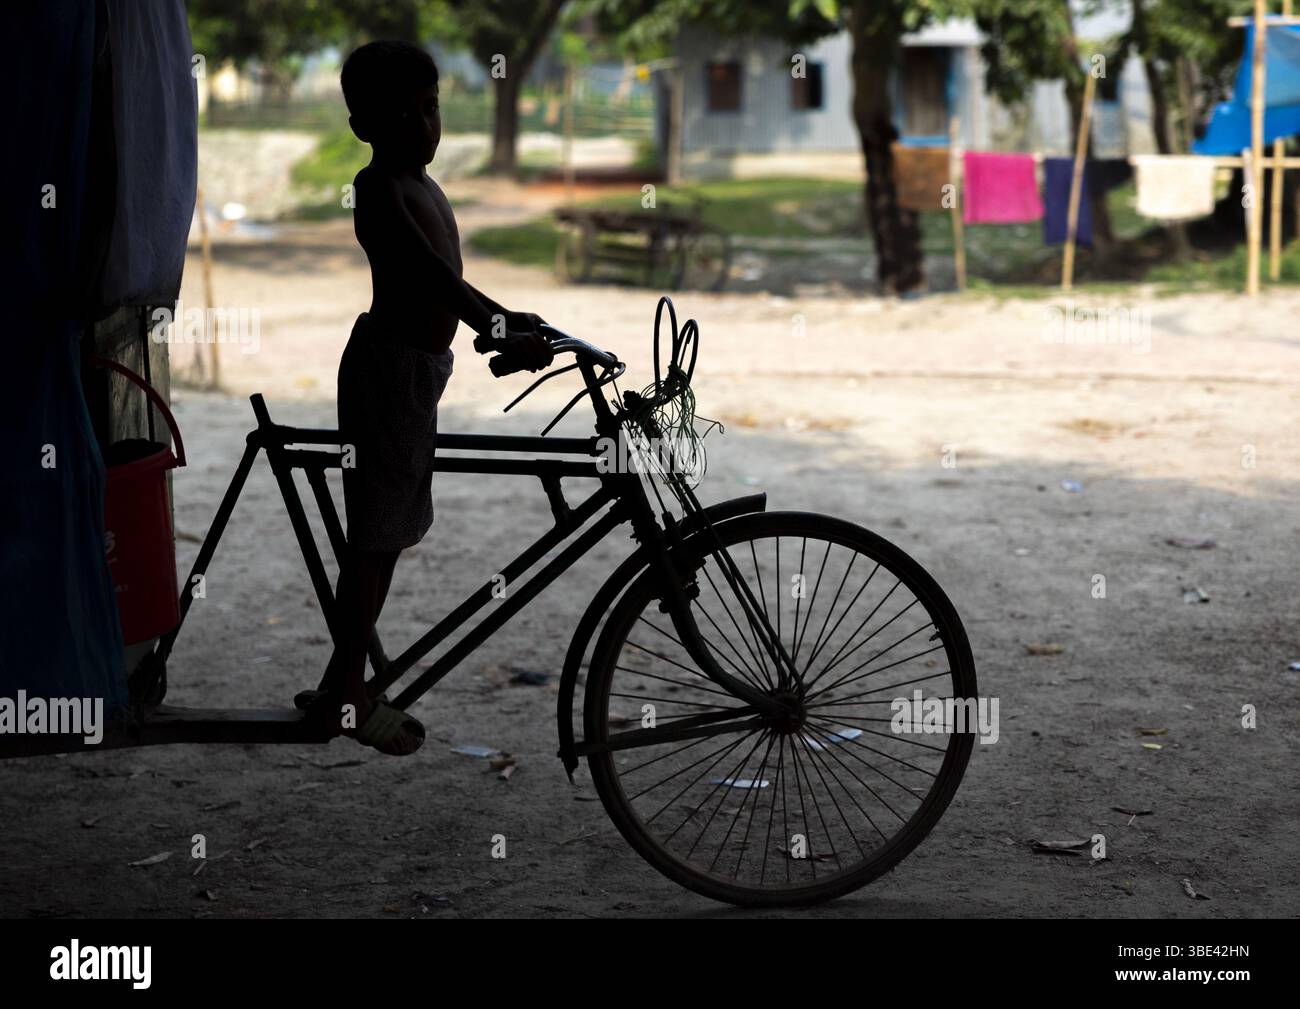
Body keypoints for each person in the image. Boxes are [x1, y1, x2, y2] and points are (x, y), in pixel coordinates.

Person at [302, 40, 552, 755]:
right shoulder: (379, 188)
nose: (423, 123)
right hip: (390, 374)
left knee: (386, 535)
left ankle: (340, 685)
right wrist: (497, 323)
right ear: (364, 128)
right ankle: (345, 692)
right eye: (402, 112)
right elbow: (427, 279)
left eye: (431, 106)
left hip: (418, 371)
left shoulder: (424, 185)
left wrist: (509, 319)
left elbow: (451, 282)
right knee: (376, 538)